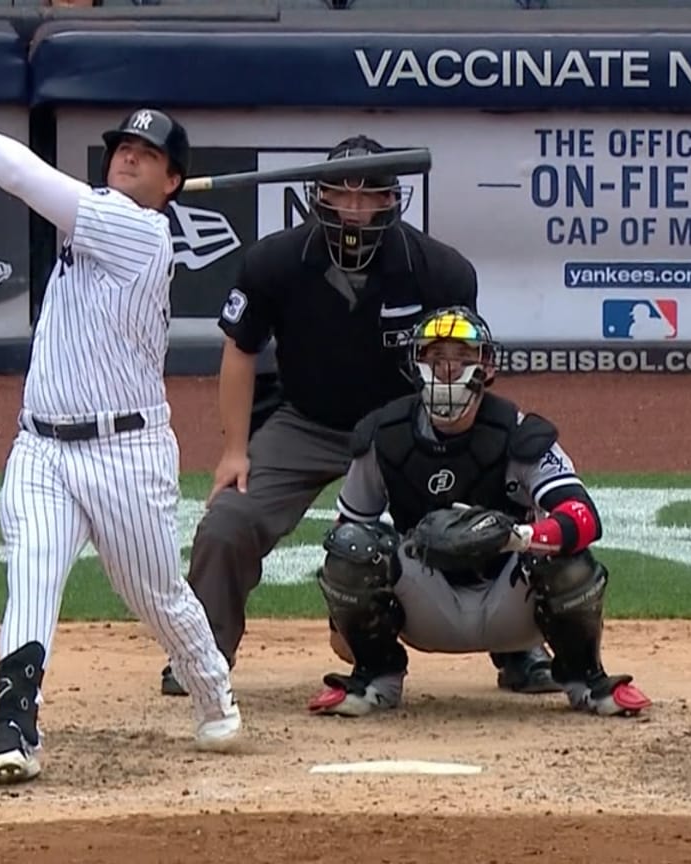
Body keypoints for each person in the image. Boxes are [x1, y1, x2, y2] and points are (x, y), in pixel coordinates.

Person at [0, 75, 242, 786]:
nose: (128, 157)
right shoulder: (96, 215)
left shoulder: (140, 232)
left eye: (148, 154)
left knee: (156, 595)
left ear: (171, 181)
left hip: (127, 452)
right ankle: (13, 725)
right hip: (42, 448)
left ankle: (211, 684)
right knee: (31, 574)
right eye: (123, 146)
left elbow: (21, 174)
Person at [160, 134, 559, 699]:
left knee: (484, 510)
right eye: (341, 195)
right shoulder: (273, 261)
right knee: (227, 522)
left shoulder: (440, 271)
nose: (354, 208)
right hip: (307, 420)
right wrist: (233, 449)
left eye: (368, 195)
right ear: (316, 198)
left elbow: (459, 358)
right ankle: (201, 654)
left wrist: (463, 439)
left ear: (390, 201)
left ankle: (519, 647)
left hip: (408, 426)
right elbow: (239, 350)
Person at [306, 307, 653, 719]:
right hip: (425, 600)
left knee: (569, 560)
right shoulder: (384, 436)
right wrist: (340, 622)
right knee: (350, 545)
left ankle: (585, 680)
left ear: (486, 367)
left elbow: (582, 517)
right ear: (416, 366)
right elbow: (348, 527)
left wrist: (517, 537)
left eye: (462, 359)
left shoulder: (519, 434)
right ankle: (375, 677)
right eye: (436, 360)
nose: (448, 371)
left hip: (509, 600)